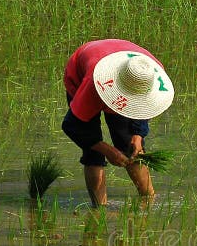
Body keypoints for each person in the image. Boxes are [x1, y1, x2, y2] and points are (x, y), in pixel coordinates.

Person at [62, 39, 174, 204]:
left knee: (132, 147)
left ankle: (149, 200)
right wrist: (107, 150)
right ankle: (99, 211)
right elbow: (72, 125)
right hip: (87, 78)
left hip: (123, 72)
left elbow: (143, 106)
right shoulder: (93, 84)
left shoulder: (149, 72)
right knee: (93, 153)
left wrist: (138, 134)